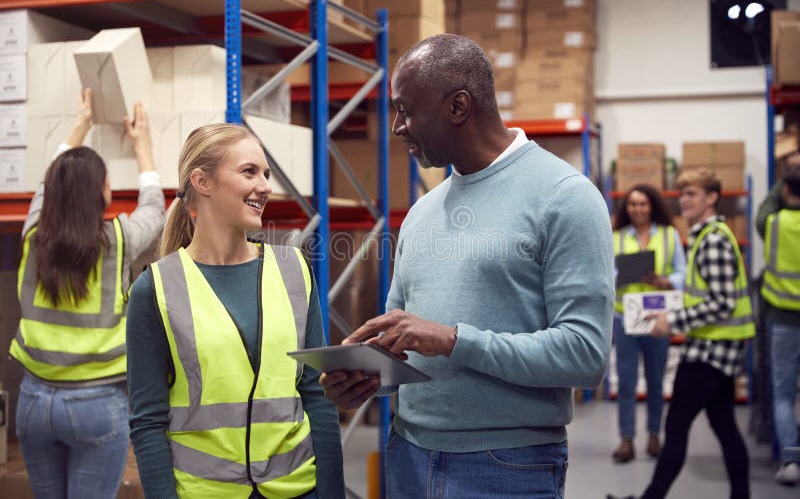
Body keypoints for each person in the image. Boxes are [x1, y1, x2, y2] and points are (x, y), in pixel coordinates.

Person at [320, 34, 614, 498]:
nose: (398, 127)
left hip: (506, 467)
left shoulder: (564, 197)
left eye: (406, 110)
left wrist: (455, 339)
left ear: (458, 107)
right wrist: (364, 377)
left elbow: (584, 354)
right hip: (407, 454)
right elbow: (405, 340)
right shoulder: (423, 212)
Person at [126, 123, 345, 499]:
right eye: (249, 172)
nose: (264, 186)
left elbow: (316, 396)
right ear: (202, 182)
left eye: (266, 174)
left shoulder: (293, 270)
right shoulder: (156, 289)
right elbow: (148, 423)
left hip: (298, 489)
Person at [10, 88, 164, 498]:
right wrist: (143, 148)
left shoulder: (33, 233)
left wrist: (81, 124)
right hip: (96, 405)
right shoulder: (118, 240)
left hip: (33, 400)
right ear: (101, 193)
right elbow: (154, 209)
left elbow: (48, 182)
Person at [609, 167, 754, 499]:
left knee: (676, 427)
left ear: (711, 198)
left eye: (692, 194)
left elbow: (722, 302)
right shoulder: (705, 235)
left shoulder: (713, 239)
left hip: (710, 348)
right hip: (708, 343)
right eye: (682, 194)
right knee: (724, 427)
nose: (684, 200)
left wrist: (671, 321)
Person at [611, 185, 687, 463]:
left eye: (643, 204)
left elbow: (683, 272)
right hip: (624, 317)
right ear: (626, 208)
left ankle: (655, 435)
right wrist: (618, 276)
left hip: (656, 315)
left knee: (656, 381)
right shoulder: (616, 236)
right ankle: (626, 439)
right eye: (632, 204)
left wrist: (666, 281)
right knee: (627, 382)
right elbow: (606, 272)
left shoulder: (669, 235)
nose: (638, 209)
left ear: (652, 206)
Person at [760, 163, 800, 485]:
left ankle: (791, 461)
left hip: (784, 319)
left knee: (784, 392)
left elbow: (766, 206)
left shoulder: (773, 223)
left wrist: (787, 175)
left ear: (786, 190)